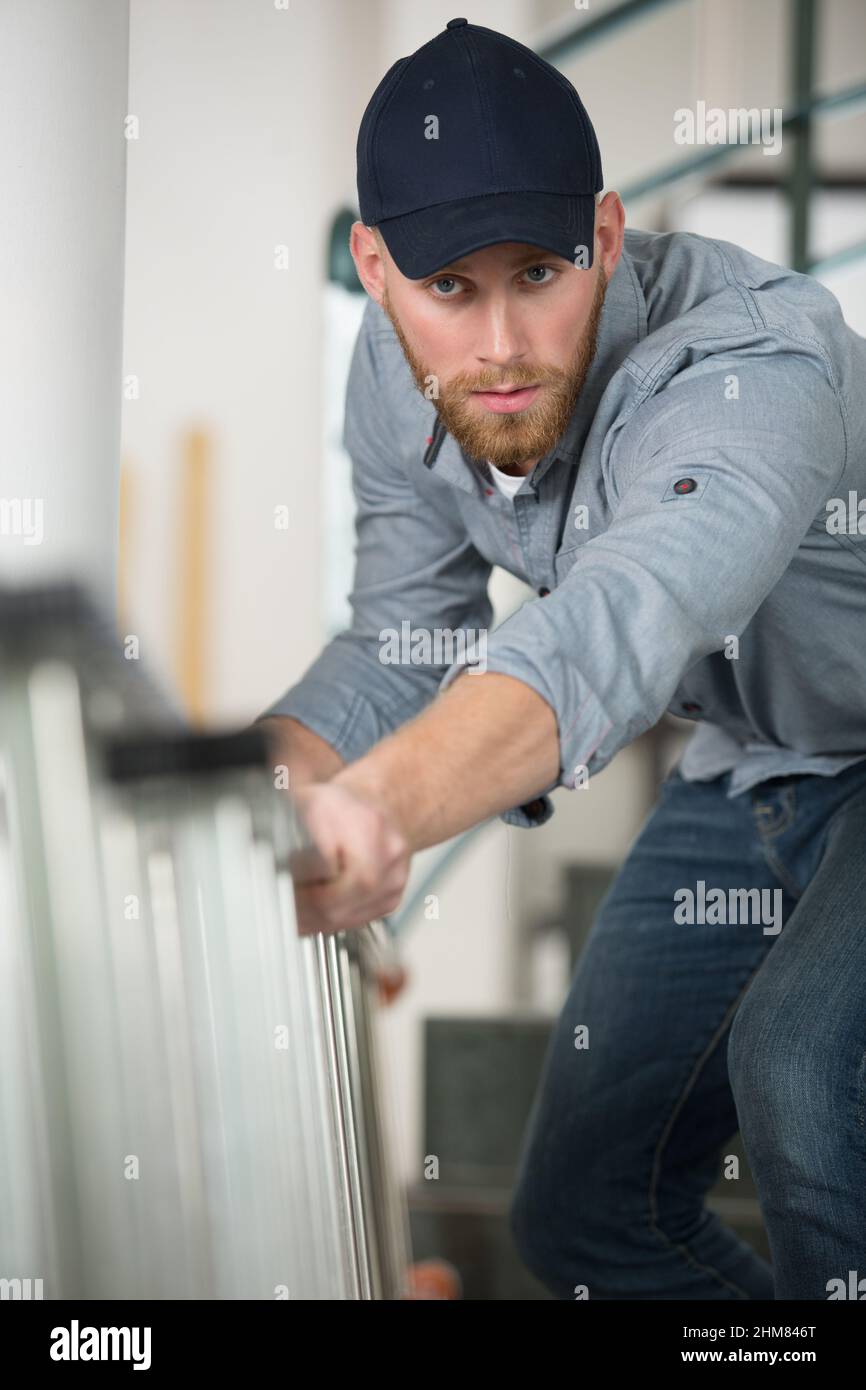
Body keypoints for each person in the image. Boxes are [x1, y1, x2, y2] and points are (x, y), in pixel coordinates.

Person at [256, 17, 866, 1300]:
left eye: (538, 274)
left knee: (804, 1075)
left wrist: (374, 807)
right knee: (582, 1211)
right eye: (447, 291)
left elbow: (622, 616)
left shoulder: (756, 361)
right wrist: (248, 808)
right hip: (750, 770)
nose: (498, 349)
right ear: (374, 267)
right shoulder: (394, 374)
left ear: (601, 234)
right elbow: (398, 641)